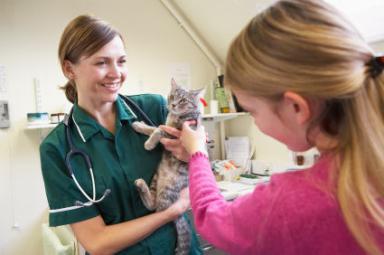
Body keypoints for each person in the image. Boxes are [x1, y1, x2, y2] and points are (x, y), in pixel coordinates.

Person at [166, 0, 384, 254]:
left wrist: (198, 154)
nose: (255, 122)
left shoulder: (291, 202)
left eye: (252, 112)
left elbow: (213, 218)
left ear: (296, 108)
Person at [40, 15, 201, 255]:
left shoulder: (154, 109)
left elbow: (199, 149)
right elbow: (98, 243)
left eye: (122, 61)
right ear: (69, 68)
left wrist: (194, 155)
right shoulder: (57, 148)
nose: (116, 73)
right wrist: (171, 212)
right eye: (102, 62)